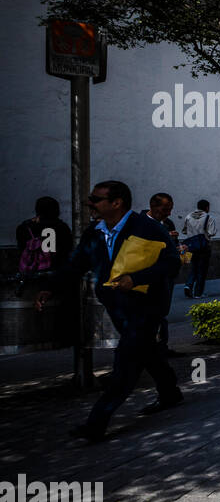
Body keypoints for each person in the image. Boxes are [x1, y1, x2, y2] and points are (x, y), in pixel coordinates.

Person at [36, 180, 182, 442]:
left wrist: (135, 279)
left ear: (117, 203)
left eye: (96, 199)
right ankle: (170, 393)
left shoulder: (147, 228)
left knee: (126, 362)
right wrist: (50, 287)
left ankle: (96, 424)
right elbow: (75, 264)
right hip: (116, 305)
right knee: (146, 351)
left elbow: (172, 264)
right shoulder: (95, 231)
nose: (90, 203)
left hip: (146, 306)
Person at [141, 193, 183, 355]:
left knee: (162, 311)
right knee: (151, 312)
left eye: (170, 209)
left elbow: (172, 244)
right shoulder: (141, 224)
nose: (168, 213)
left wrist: (177, 245)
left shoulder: (166, 223)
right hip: (149, 276)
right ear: (153, 207)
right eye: (165, 209)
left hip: (166, 275)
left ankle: (160, 346)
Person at [16, 196, 75, 292]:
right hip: (55, 274)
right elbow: (67, 250)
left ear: (37, 210)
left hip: (30, 274)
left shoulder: (25, 227)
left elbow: (21, 247)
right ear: (57, 210)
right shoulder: (62, 227)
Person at [180, 198, 216, 298]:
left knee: (194, 267)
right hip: (204, 247)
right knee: (202, 269)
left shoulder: (188, 216)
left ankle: (188, 285)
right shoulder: (209, 217)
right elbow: (212, 232)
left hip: (191, 246)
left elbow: (184, 231)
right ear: (207, 207)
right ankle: (198, 293)